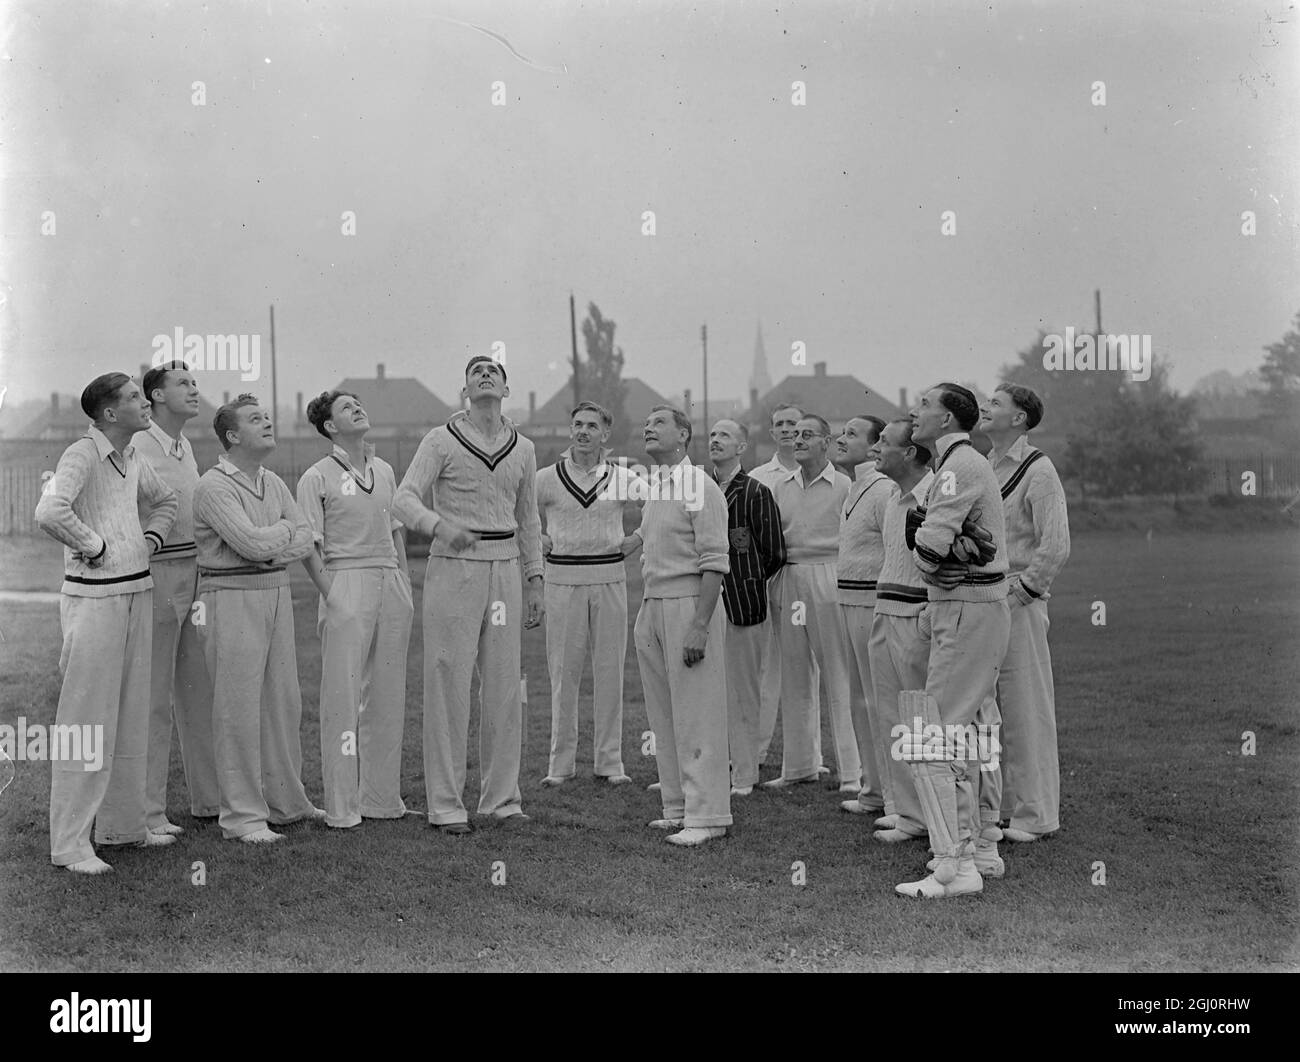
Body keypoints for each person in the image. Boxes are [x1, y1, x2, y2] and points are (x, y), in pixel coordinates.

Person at [392, 356, 543, 834]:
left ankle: (501, 799)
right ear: (464, 388)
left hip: (505, 570)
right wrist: (438, 526)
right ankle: (445, 804)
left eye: (493, 371)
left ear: (505, 387)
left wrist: (535, 579)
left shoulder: (524, 447)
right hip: (453, 568)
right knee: (448, 682)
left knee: (503, 685)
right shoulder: (440, 440)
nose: (485, 376)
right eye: (476, 371)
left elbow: (530, 519)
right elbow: (403, 498)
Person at [36, 373, 179, 873]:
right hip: (93, 600)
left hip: (138, 589)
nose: (145, 404)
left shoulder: (135, 457)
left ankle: (122, 828)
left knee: (131, 713)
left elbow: (166, 503)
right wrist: (93, 544)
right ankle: (71, 846)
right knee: (87, 719)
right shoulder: (81, 453)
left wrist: (150, 542)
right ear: (110, 414)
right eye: (135, 398)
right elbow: (49, 510)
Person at [896, 383, 1010, 898]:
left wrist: (931, 551)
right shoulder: (965, 464)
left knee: (934, 732)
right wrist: (940, 549)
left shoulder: (958, 466)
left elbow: (927, 548)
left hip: (967, 609)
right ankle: (982, 846)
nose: (915, 413)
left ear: (945, 421)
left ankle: (953, 866)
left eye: (924, 406)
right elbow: (942, 542)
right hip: (973, 608)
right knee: (975, 728)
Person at [193, 393, 322, 844]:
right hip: (228, 596)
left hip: (276, 594)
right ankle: (243, 817)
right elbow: (252, 545)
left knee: (284, 702)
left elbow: (306, 537)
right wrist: (284, 534)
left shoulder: (273, 480)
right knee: (238, 708)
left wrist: (279, 540)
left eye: (267, 416)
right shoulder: (213, 485)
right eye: (255, 419)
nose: (267, 423)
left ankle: (288, 804)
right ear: (232, 436)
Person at [297, 390, 413, 829]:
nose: (358, 409)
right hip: (345, 581)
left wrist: (402, 581)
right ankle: (343, 809)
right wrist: (333, 594)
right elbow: (310, 546)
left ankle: (382, 800)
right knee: (342, 699)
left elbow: (395, 528)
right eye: (346, 408)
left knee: (386, 695)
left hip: (389, 582)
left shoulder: (383, 469)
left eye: (359, 403)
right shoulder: (316, 477)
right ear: (330, 426)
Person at [634, 405, 732, 846]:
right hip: (653, 605)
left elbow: (715, 561)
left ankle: (709, 815)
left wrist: (699, 625)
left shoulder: (699, 486)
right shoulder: (657, 487)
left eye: (659, 423)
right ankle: (677, 807)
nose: (648, 429)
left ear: (684, 435)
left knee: (697, 714)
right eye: (647, 424)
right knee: (666, 715)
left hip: (690, 606)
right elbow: (648, 551)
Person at [979, 384, 1070, 842]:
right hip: (981, 601)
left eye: (995, 404)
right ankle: (998, 807)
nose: (984, 408)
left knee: (1025, 705)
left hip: (1019, 602)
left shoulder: (1039, 469)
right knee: (985, 706)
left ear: (1019, 419)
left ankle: (1036, 815)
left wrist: (1022, 592)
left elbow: (1055, 544)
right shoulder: (983, 466)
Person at [535, 401, 643, 787]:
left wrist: (638, 538)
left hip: (610, 577)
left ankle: (609, 763)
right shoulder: (546, 477)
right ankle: (560, 766)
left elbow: (661, 506)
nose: (583, 431)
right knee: (563, 673)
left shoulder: (624, 476)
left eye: (591, 426)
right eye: (577, 424)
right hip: (562, 581)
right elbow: (520, 515)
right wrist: (539, 539)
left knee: (609, 671)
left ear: (605, 434)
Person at [136, 361, 219, 834]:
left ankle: (209, 800)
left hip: (195, 573)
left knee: (198, 690)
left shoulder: (185, 446)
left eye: (194, 383)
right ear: (156, 396)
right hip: (157, 575)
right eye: (183, 384)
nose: (193, 390)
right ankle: (146, 813)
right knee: (152, 699)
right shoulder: (139, 444)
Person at [763, 414, 861, 794]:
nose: (798, 439)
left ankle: (852, 772)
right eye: (795, 435)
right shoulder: (780, 487)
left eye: (808, 435)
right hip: (790, 577)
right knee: (794, 672)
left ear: (826, 442)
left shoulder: (845, 486)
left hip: (829, 576)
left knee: (838, 673)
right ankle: (800, 766)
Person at [863, 420, 933, 844]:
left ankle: (934, 812)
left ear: (909, 453)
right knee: (892, 718)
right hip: (884, 611)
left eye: (883, 443)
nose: (875, 448)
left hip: (916, 618)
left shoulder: (932, 496)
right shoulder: (891, 496)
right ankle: (909, 813)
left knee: (922, 718)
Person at [709, 418, 785, 796]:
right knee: (710, 688)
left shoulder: (755, 492)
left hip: (742, 603)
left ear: (741, 447)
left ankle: (744, 772)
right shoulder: (701, 490)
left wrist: (747, 581)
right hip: (705, 604)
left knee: (743, 689)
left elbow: (773, 552)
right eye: (712, 435)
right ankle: (715, 763)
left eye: (724, 435)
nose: (715, 440)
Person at [832, 415, 894, 817]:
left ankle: (894, 797)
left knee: (878, 700)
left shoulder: (884, 489)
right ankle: (873, 790)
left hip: (873, 602)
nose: (841, 439)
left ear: (874, 447)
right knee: (859, 699)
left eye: (851, 434)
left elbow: (895, 553)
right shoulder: (855, 487)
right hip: (847, 600)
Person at [747, 404, 806, 769]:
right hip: (769, 578)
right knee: (766, 670)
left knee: (807, 672)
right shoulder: (759, 477)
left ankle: (807, 758)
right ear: (772, 432)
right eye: (780, 424)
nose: (787, 430)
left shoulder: (818, 470)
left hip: (811, 576)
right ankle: (756, 753)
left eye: (794, 425)